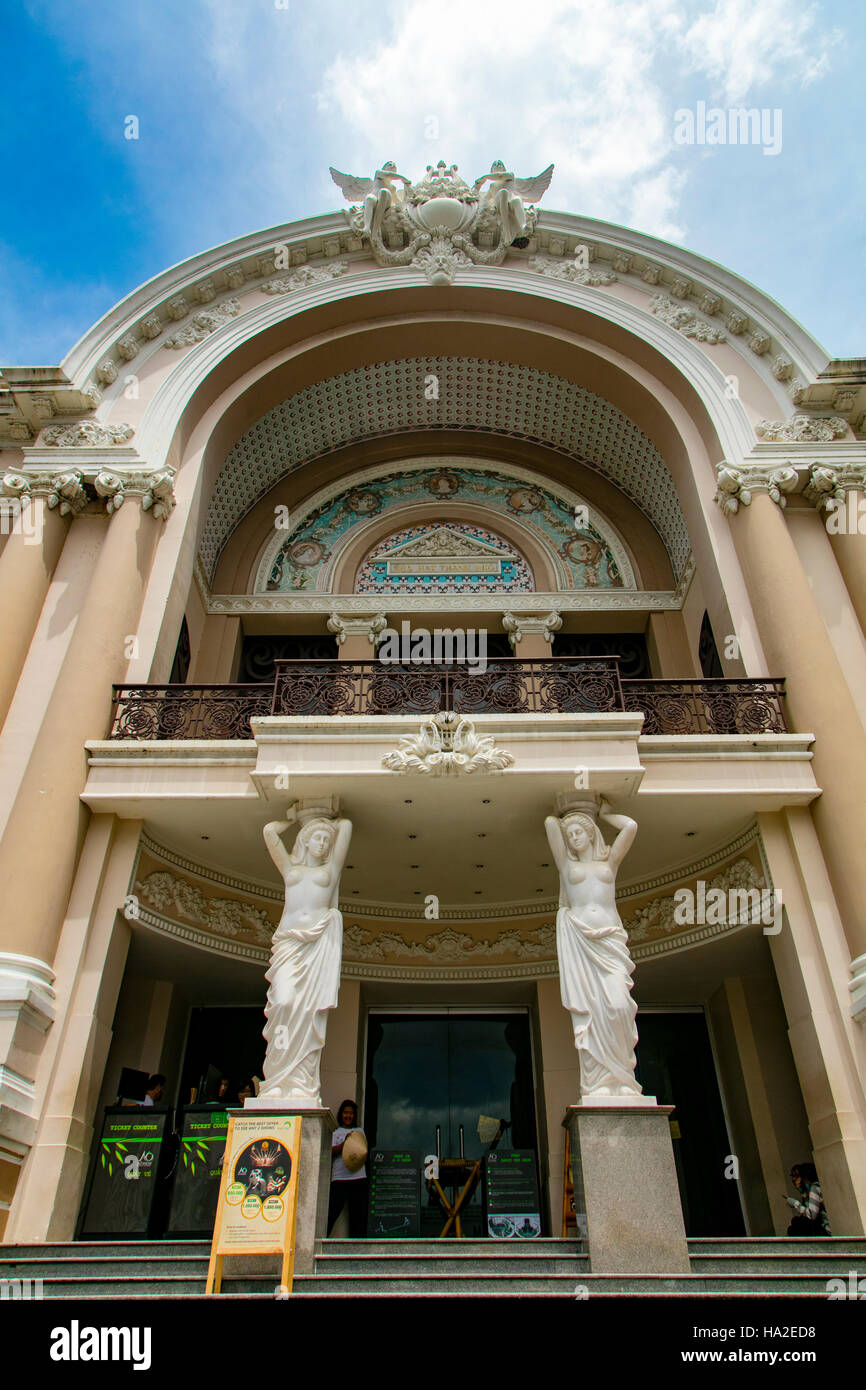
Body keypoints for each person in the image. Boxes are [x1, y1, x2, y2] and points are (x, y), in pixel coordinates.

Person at [328, 1100, 368, 1238]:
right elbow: (330, 1152)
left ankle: (358, 1247)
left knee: (358, 1214)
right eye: (346, 1113)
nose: (348, 1116)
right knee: (332, 1211)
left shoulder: (359, 1131)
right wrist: (345, 1143)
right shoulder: (335, 1132)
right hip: (339, 1178)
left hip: (358, 1178)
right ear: (341, 1114)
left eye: (351, 1113)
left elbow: (363, 1151)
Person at [785, 1163, 831, 1235]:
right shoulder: (805, 1193)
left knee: (796, 1224)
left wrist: (795, 1203)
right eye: (792, 1176)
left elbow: (812, 1215)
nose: (793, 1179)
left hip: (827, 1229)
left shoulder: (814, 1188)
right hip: (821, 1229)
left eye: (796, 1176)